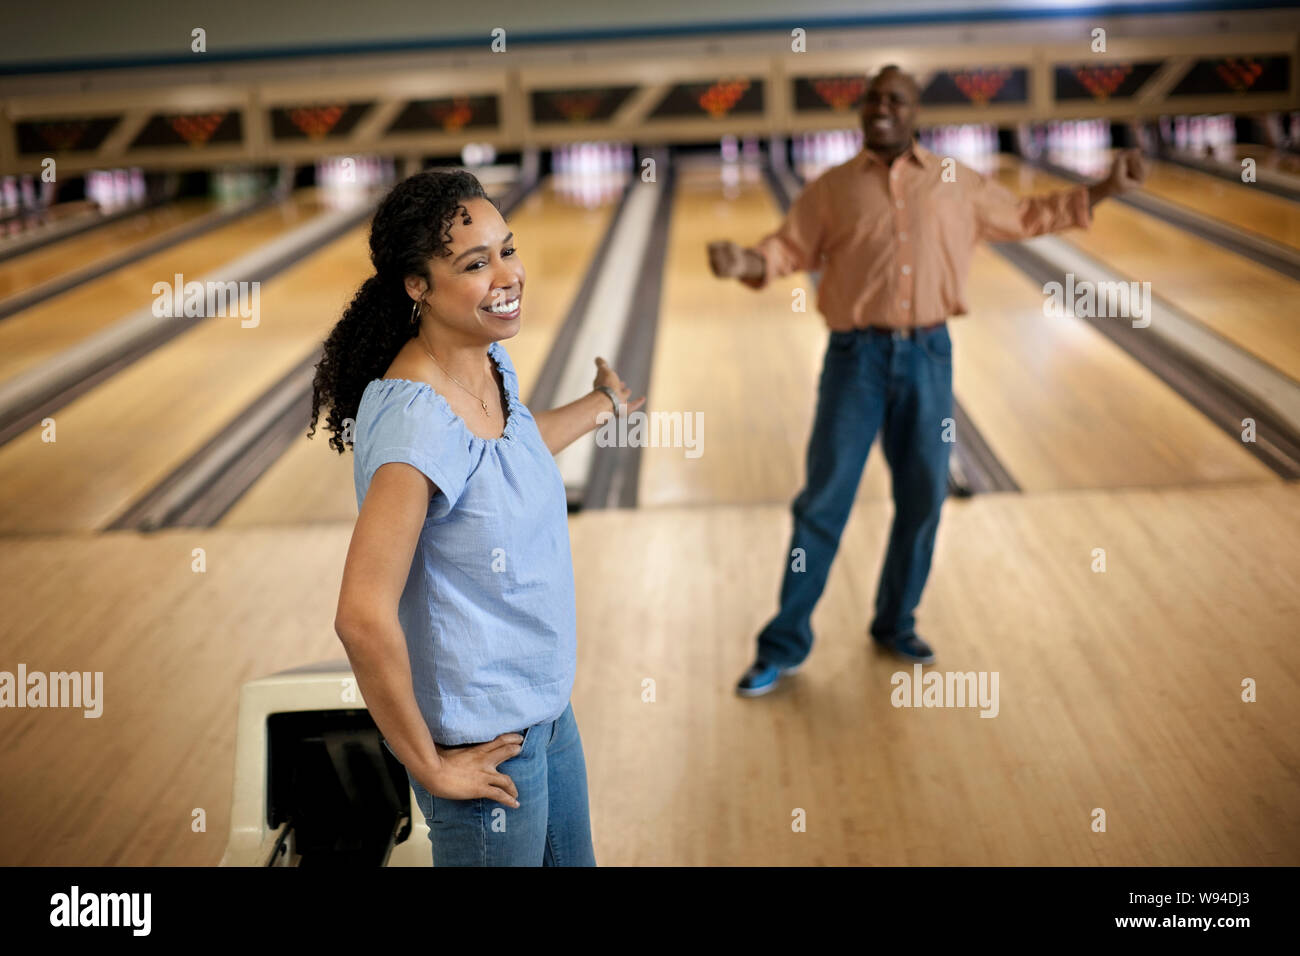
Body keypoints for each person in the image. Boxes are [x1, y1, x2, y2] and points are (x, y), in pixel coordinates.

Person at [707, 65, 1147, 696]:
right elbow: (786, 249)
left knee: (923, 497)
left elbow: (1025, 215)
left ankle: (895, 622)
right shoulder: (831, 188)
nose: (882, 106)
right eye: (873, 98)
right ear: (861, 110)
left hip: (930, 357)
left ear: (914, 113)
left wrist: (1102, 187)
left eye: (896, 99)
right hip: (854, 360)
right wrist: (746, 261)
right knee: (823, 503)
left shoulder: (954, 181)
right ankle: (783, 644)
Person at [314, 168, 644, 865]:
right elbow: (361, 616)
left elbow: (504, 454)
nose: (507, 274)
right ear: (417, 285)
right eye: (474, 262)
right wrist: (431, 768)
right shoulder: (415, 423)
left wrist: (600, 406)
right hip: (484, 747)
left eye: (507, 249)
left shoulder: (486, 361)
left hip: (546, 717)